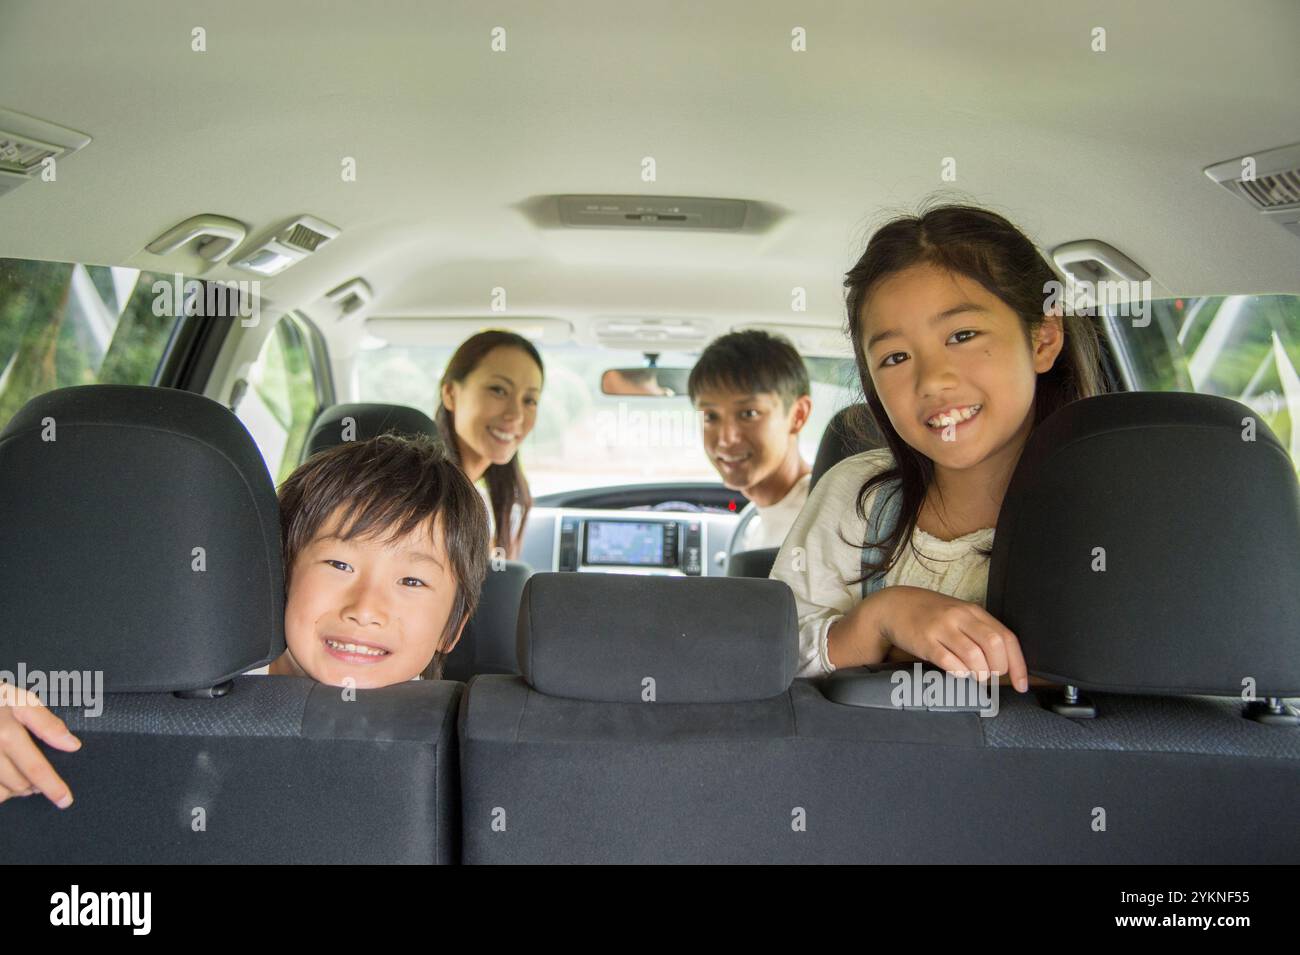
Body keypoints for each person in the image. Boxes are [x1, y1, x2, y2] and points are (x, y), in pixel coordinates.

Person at [0, 433, 489, 808]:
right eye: (339, 565)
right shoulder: (158, 695)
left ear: (453, 626)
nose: (365, 608)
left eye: (411, 582)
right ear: (275, 575)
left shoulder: (474, 762)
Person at [770, 202, 1109, 685]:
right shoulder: (856, 500)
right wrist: (881, 618)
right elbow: (767, 656)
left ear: (1043, 339)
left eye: (963, 334)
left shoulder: (1114, 511)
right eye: (896, 357)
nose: (932, 380)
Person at [689, 330, 814, 551]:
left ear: (798, 415)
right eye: (711, 416)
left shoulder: (822, 521)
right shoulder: (757, 524)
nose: (726, 439)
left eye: (748, 414)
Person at [435, 330, 544, 561]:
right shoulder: (426, 500)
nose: (515, 415)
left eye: (529, 400)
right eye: (498, 390)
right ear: (450, 393)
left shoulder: (486, 501)